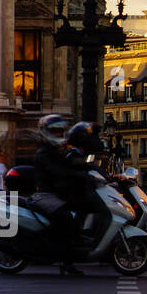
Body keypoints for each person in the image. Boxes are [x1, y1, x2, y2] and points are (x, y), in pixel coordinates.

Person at [33, 115, 90, 275]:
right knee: (67, 219)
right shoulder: (44, 152)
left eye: (60, 131)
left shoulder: (57, 150)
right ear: (46, 132)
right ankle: (66, 260)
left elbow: (69, 167)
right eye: (55, 131)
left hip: (57, 193)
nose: (59, 134)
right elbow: (58, 171)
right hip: (46, 195)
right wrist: (77, 175)